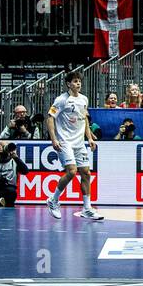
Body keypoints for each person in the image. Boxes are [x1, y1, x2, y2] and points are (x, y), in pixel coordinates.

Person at [45, 72, 103, 221]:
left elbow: (83, 119)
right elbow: (50, 118)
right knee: (71, 171)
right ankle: (53, 200)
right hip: (64, 141)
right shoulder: (61, 100)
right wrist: (54, 139)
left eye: (79, 82)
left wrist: (89, 138)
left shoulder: (84, 99)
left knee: (86, 173)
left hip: (79, 143)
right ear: (68, 84)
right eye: (75, 81)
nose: (78, 84)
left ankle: (87, 209)